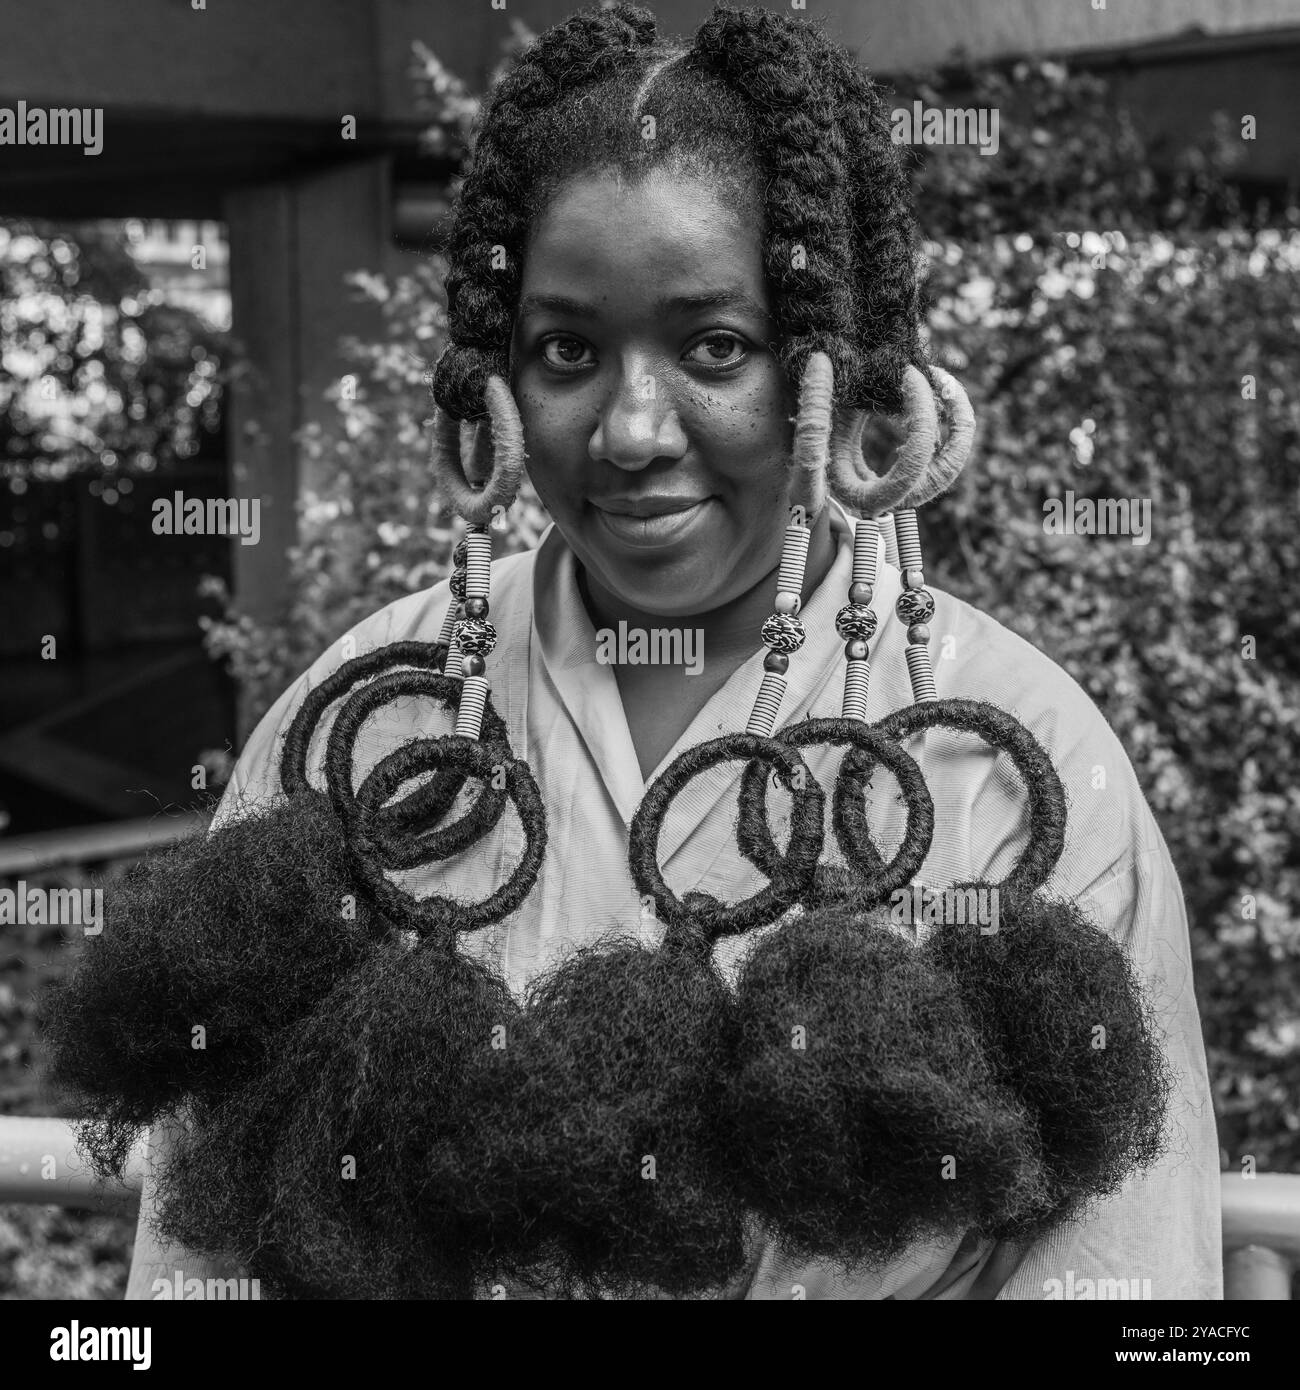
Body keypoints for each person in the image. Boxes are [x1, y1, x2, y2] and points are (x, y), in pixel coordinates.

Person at [123, 3, 1220, 1299]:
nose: (633, 428)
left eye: (715, 346)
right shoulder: (361, 735)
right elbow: (200, 1256)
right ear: (495, 382)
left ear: (838, 370)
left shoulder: (1020, 759)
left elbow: (1122, 1269)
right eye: (569, 350)